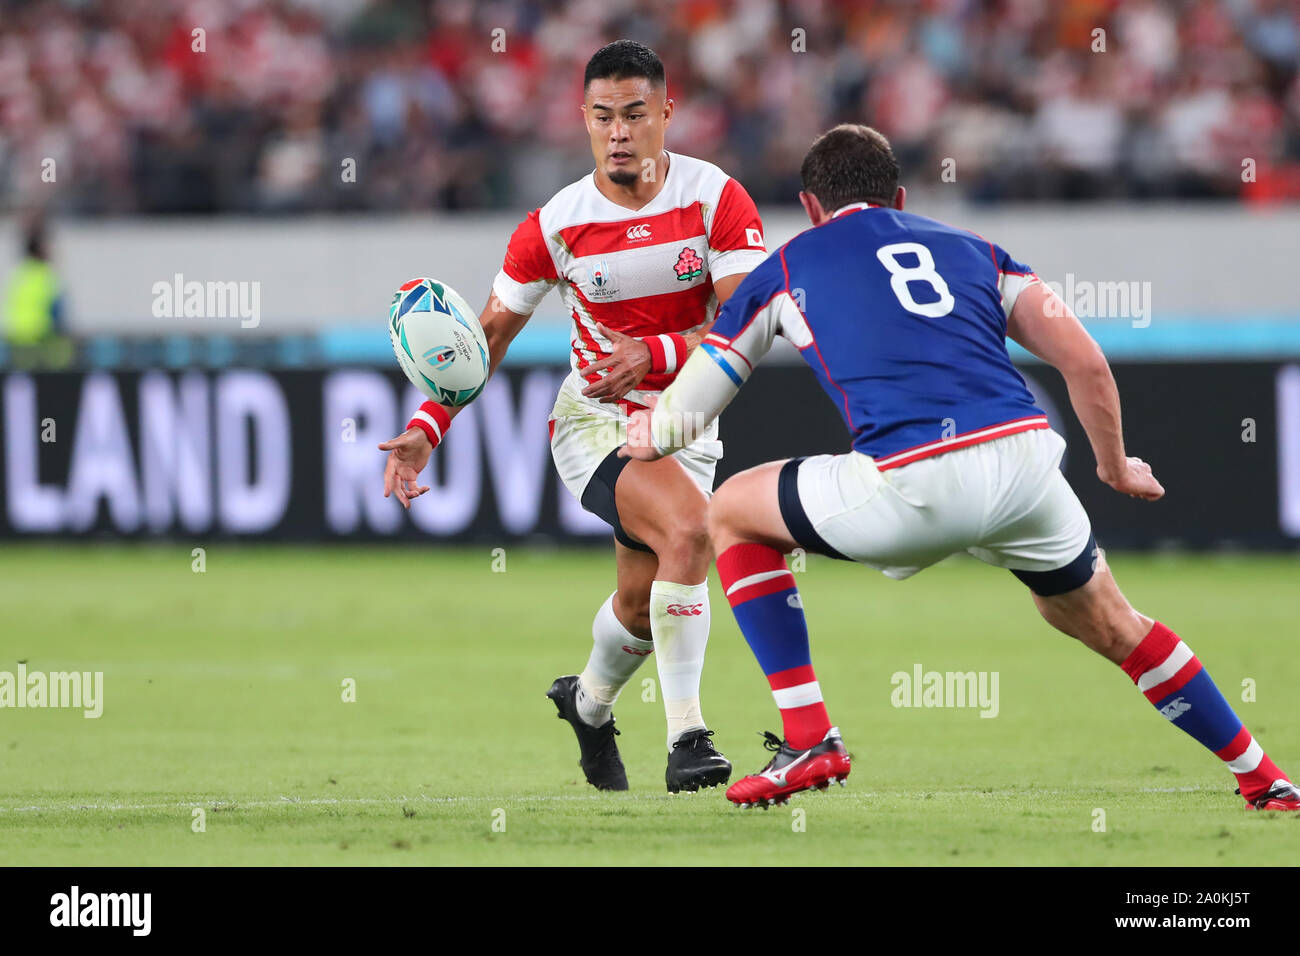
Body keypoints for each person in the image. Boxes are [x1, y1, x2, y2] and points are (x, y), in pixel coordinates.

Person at [621, 123, 1299, 811]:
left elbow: (687, 414)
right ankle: (1262, 775)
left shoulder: (787, 267)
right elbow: (1085, 361)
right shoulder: (978, 250)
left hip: (916, 478)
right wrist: (1116, 466)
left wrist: (645, 434)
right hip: (1028, 467)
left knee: (733, 508)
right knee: (1111, 621)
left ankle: (810, 737)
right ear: (900, 196)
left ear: (811, 207)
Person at [379, 41, 768, 792]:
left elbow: (749, 321)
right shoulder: (555, 224)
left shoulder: (716, 197)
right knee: (692, 530)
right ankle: (688, 735)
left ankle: (587, 705)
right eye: (602, 117)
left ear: (665, 113)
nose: (618, 132)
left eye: (634, 114)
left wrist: (654, 354)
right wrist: (428, 426)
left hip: (687, 425)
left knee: (641, 602)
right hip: (596, 426)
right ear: (583, 120)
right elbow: (486, 337)